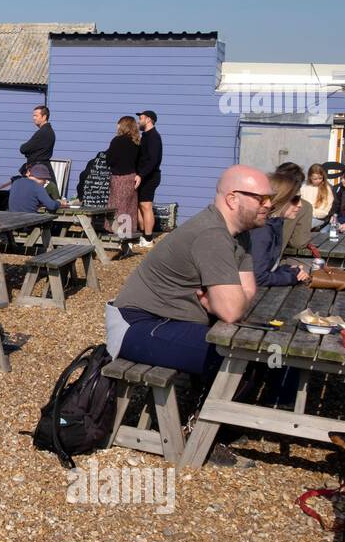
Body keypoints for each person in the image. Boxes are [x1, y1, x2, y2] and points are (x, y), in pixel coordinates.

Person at [105, 165, 267, 378]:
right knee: (248, 356)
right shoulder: (212, 234)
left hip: (174, 321)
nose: (270, 205)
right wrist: (225, 304)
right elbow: (232, 311)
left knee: (265, 353)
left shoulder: (240, 235)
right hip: (138, 325)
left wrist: (224, 304)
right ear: (232, 199)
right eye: (261, 199)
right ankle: (230, 409)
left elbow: (248, 291)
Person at [247, 172, 311, 287]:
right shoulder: (262, 231)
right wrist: (292, 277)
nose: (300, 205)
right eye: (295, 199)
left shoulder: (274, 223)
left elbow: (265, 268)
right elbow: (257, 277)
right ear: (280, 199)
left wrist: (288, 270)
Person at [105, 115, 140, 255]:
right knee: (129, 209)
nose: (116, 127)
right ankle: (127, 241)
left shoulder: (117, 141)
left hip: (119, 177)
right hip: (131, 177)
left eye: (118, 124)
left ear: (123, 126)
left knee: (118, 209)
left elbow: (109, 159)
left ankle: (120, 241)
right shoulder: (136, 142)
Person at [133, 110, 162, 248]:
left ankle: (149, 238)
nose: (139, 121)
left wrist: (141, 175)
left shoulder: (154, 137)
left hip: (150, 177)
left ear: (149, 120)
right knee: (139, 206)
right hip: (141, 176)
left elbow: (153, 160)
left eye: (141, 118)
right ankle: (143, 234)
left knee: (146, 206)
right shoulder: (144, 136)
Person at [274, 162, 312, 253]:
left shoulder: (262, 199)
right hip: (270, 261)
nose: (299, 205)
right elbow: (299, 242)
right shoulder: (304, 206)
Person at [19, 105, 55, 169]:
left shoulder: (43, 132)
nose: (34, 118)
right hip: (41, 168)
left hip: (38, 170)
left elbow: (24, 149)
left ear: (44, 117)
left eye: (36, 116)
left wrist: (28, 153)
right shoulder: (48, 131)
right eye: (33, 116)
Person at [301, 163, 334, 231]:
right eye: (315, 179)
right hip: (304, 216)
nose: (318, 180)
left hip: (319, 218)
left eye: (320, 178)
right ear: (310, 177)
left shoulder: (327, 189)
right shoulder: (304, 187)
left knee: (304, 226)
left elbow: (326, 210)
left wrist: (311, 213)